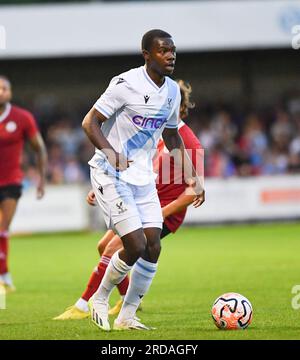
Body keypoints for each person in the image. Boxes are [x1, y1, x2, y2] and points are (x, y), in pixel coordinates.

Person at [81, 29, 204, 331]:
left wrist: (193, 177)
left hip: (142, 177)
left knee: (153, 245)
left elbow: (172, 135)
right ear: (147, 55)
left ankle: (127, 316)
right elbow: (90, 122)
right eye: (163, 50)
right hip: (111, 173)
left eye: (173, 50)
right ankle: (99, 298)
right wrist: (110, 154)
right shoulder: (125, 84)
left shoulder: (173, 91)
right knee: (134, 244)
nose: (170, 55)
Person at [54, 79, 204, 321]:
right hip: (142, 200)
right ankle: (126, 300)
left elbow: (193, 189)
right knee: (104, 246)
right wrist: (106, 186)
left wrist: (162, 213)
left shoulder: (189, 142)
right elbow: (143, 171)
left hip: (166, 213)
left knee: (115, 248)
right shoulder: (155, 135)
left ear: (178, 108)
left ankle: (83, 305)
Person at [0, 76, 47, 292]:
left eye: (4, 88)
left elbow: (39, 148)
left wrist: (41, 179)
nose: (1, 91)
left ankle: (5, 276)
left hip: (11, 182)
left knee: (2, 227)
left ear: (10, 92)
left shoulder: (22, 117)